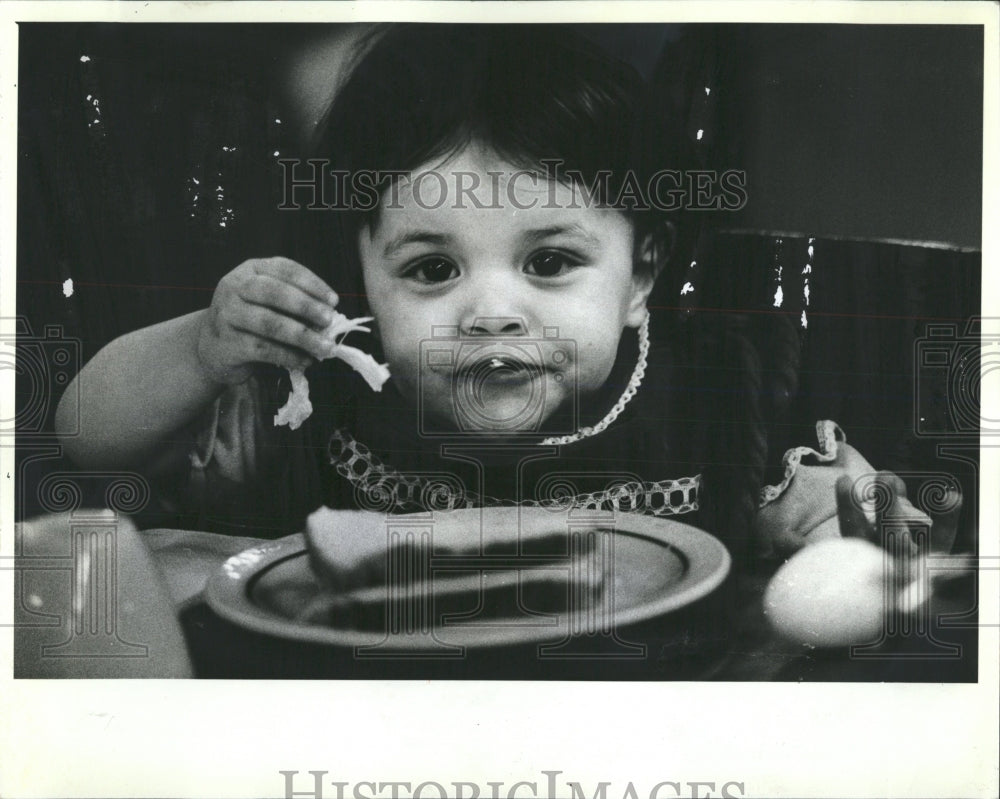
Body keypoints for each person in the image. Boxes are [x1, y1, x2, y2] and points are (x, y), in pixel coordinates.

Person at [54, 24, 953, 568]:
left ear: (639, 277)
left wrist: (864, 537)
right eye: (431, 270)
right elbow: (85, 433)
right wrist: (202, 347)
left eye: (550, 261)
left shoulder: (719, 400)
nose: (491, 312)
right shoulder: (323, 397)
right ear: (364, 279)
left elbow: (844, 508)